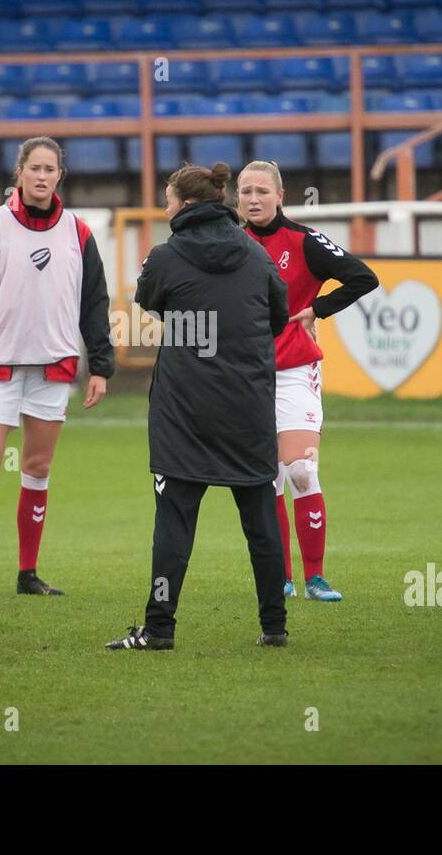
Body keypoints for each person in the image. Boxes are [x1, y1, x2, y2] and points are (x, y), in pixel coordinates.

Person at [106, 162, 289, 650]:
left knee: (174, 522)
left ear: (186, 205)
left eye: (167, 199)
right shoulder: (256, 254)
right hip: (247, 406)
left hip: (184, 410)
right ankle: (275, 626)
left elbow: (150, 301)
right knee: (261, 522)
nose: (165, 208)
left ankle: (159, 629)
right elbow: (278, 317)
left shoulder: (165, 257)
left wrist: (193, 328)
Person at [0, 136, 113, 598]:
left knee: (37, 467)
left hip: (53, 365)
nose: (42, 176)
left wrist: (100, 365)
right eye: (34, 168)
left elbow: (95, 304)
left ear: (60, 175)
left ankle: (27, 574)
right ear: (19, 173)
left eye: (50, 169)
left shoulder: (78, 233)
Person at [236, 160, 377, 601]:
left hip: (295, 370)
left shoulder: (302, 240)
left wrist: (318, 308)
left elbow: (362, 277)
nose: (253, 199)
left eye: (262, 191)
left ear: (280, 196)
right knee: (267, 479)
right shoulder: (228, 242)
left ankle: (316, 577)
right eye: (245, 192)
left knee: (300, 469)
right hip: (245, 375)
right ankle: (282, 577)